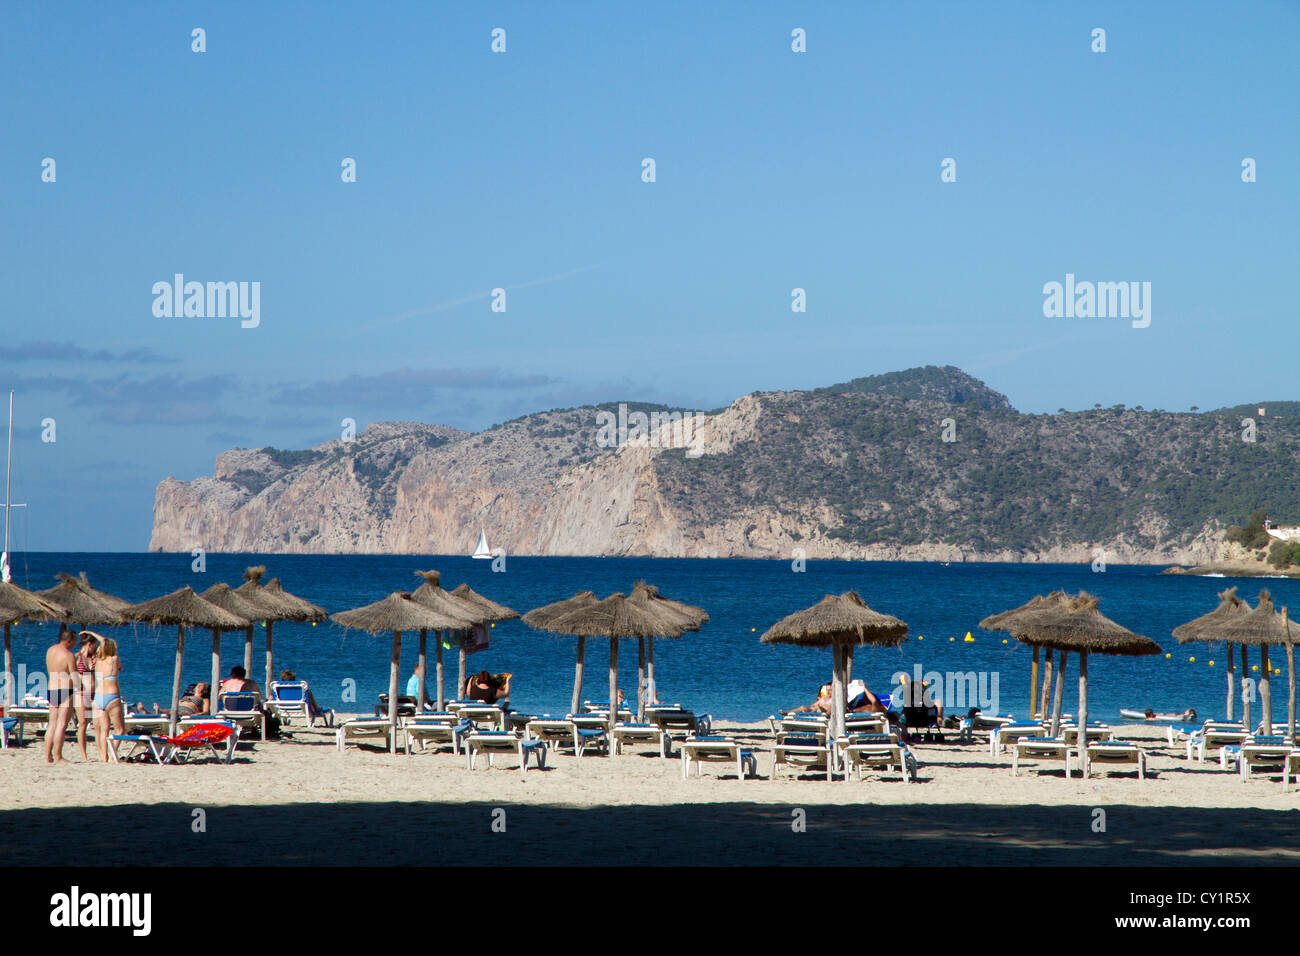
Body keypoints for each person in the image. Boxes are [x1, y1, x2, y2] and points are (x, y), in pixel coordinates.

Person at [44, 627, 78, 763]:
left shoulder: (50, 650)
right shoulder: (68, 655)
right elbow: (74, 676)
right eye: (75, 641)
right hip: (65, 690)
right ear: (69, 641)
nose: (75, 644)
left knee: (52, 724)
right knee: (62, 724)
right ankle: (58, 755)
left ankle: (48, 756)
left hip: (51, 689)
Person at [93, 637, 125, 762]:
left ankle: (103, 756)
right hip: (112, 697)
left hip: (98, 697)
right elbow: (120, 668)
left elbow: (103, 641)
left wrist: (91, 633)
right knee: (120, 729)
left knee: (103, 730)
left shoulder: (97, 660)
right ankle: (112, 755)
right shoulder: (115, 659)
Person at [73, 632, 100, 760]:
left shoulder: (94, 657)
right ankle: (84, 755)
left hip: (94, 694)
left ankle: (100, 752)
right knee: (83, 723)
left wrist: (90, 633)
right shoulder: (77, 657)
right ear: (90, 644)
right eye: (95, 645)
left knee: (96, 723)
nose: (96, 648)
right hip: (82, 694)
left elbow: (105, 642)